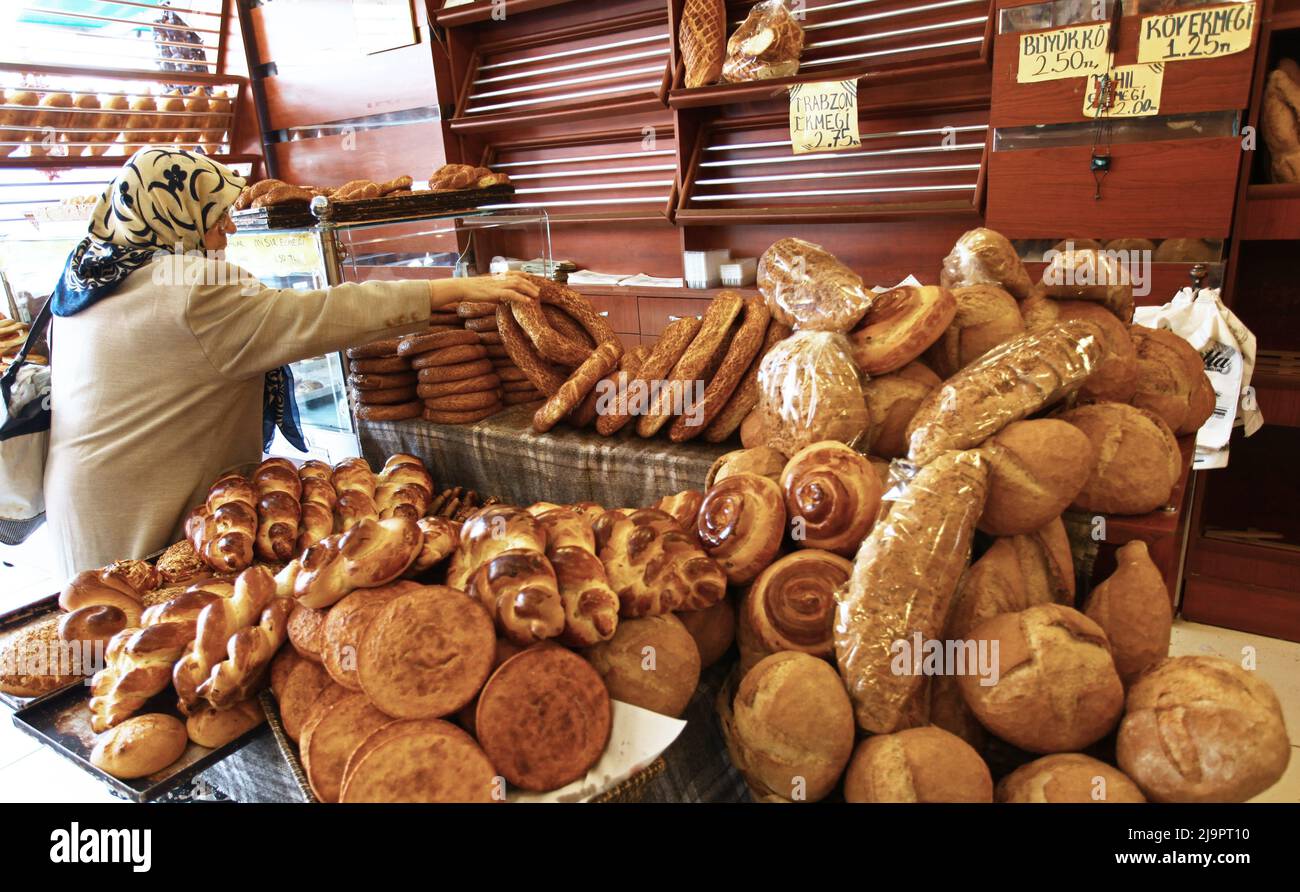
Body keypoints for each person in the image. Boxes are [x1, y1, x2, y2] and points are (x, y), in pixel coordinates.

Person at [43, 148, 538, 578]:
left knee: (109, 640)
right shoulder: (192, 286)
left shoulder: (93, 276)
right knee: (153, 635)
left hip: (85, 502)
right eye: (215, 216)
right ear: (175, 213)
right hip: (146, 509)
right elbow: (317, 315)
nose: (230, 229)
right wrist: (446, 289)